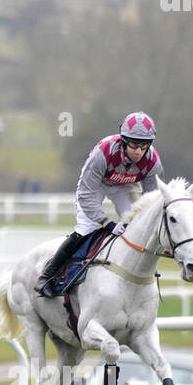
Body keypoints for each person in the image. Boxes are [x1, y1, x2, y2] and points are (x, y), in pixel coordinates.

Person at [36, 112, 163, 296]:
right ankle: (47, 276)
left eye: (144, 146)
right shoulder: (102, 154)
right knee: (87, 228)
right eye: (134, 145)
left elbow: (152, 199)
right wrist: (108, 223)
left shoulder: (152, 162)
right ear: (124, 141)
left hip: (124, 186)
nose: (138, 151)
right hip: (95, 186)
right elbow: (86, 197)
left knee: (136, 226)